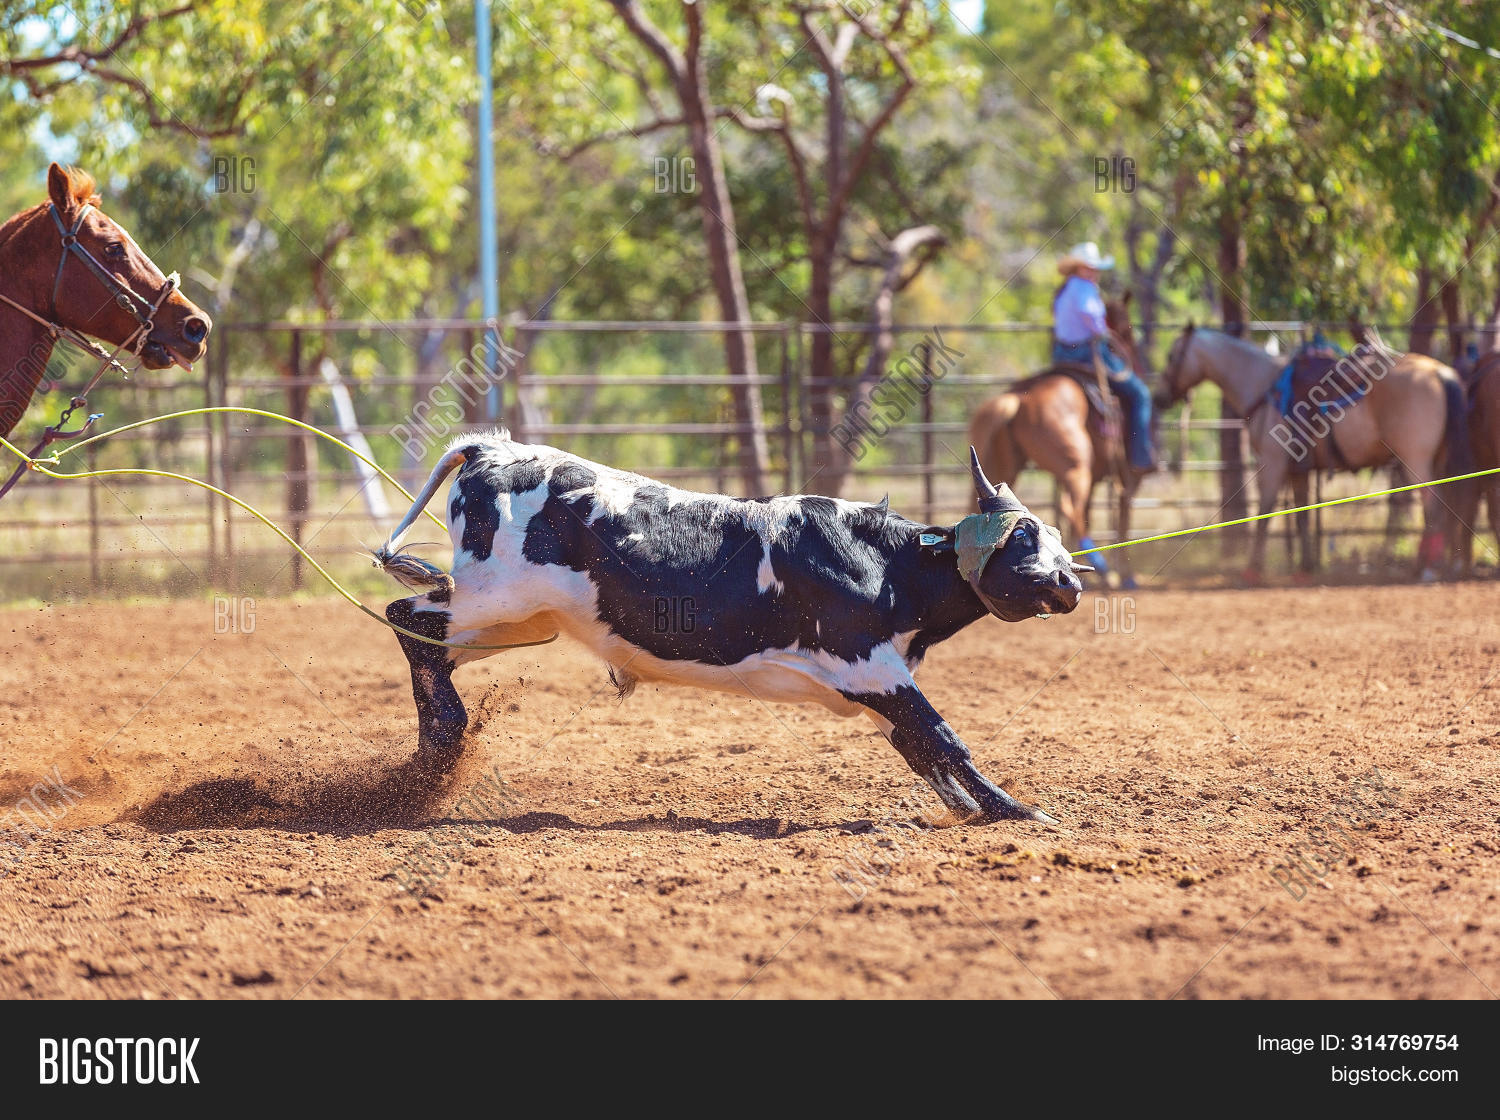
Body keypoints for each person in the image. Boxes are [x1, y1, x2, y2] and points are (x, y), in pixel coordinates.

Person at [1051, 242, 1155, 473]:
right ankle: (1140, 457)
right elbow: (1089, 314)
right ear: (1077, 268)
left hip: (1061, 354)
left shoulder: (1063, 291)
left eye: (1095, 268)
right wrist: (1103, 332)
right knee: (1140, 393)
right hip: (1088, 353)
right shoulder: (1085, 289)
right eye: (1088, 267)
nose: (1093, 272)